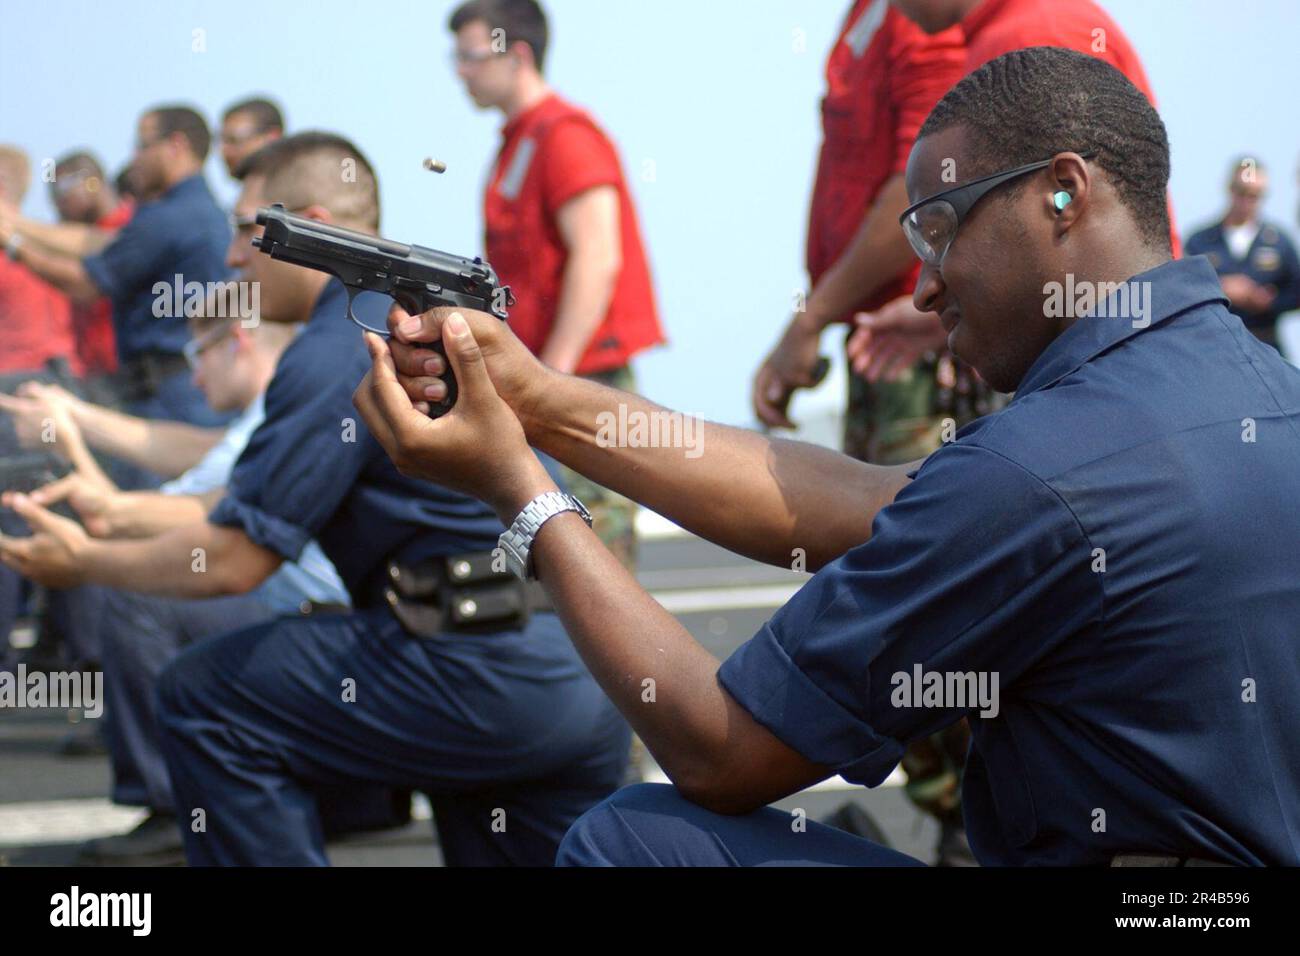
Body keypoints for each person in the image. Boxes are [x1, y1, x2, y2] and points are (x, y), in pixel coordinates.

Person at [357, 48, 1300, 866]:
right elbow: (864, 501)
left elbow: (723, 754)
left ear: (1063, 192)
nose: (925, 287)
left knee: (637, 837)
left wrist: (518, 489)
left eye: (939, 226)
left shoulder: (1039, 471)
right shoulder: (1251, 398)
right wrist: (535, 403)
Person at [0, 131, 630, 866]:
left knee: (204, 696)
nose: (233, 258)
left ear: (316, 230)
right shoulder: (405, 323)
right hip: (569, 672)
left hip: (475, 673)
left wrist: (86, 562)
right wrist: (113, 515)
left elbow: (236, 561)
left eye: (250, 232)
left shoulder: (342, 344)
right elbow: (237, 499)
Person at [0, 304, 350, 864]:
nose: (192, 376)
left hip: (331, 631)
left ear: (238, 339)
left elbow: (125, 520)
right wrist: (74, 428)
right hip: (345, 627)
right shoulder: (279, 411)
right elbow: (164, 452)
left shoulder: (277, 415)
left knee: (144, 597)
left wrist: (70, 453)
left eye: (198, 354)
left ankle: (169, 804)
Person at [747, 3, 975, 859]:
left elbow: (921, 190)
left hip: (912, 339)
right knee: (886, 571)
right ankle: (964, 817)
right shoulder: (868, 19)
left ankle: (977, 819)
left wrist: (813, 318)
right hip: (883, 334)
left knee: (925, 583)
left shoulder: (919, 21)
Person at [850, 0, 1181, 386]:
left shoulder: (1035, 31)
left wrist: (810, 319)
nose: (894, 8)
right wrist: (970, 312)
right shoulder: (1011, 30)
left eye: (947, 226)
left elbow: (1089, 242)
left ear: (1066, 194)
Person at [448, 0, 664, 570]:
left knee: (596, 546)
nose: (460, 71)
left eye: (471, 57)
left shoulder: (563, 135)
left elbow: (598, 257)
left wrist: (553, 376)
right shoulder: (520, 141)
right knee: (561, 542)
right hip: (548, 376)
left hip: (580, 374)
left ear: (517, 55)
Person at [0, 105, 233, 446]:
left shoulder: (167, 218)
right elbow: (98, 243)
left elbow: (87, 283)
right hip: (169, 386)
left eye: (142, 145)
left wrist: (15, 243)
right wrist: (17, 228)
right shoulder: (192, 214)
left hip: (165, 394)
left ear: (176, 145)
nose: (134, 157)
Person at [1185, 157, 1299, 349]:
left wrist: (1267, 301)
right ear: (1230, 188)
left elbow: (1296, 292)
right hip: (1215, 346)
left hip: (1265, 345)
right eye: (1243, 191)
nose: (1248, 201)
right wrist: (1221, 288)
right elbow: (1183, 289)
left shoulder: (1279, 242)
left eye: (1256, 194)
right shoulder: (1200, 241)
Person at [219, 96, 285, 181]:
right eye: (223, 141)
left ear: (272, 139)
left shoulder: (295, 192)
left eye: (234, 140)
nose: (225, 151)